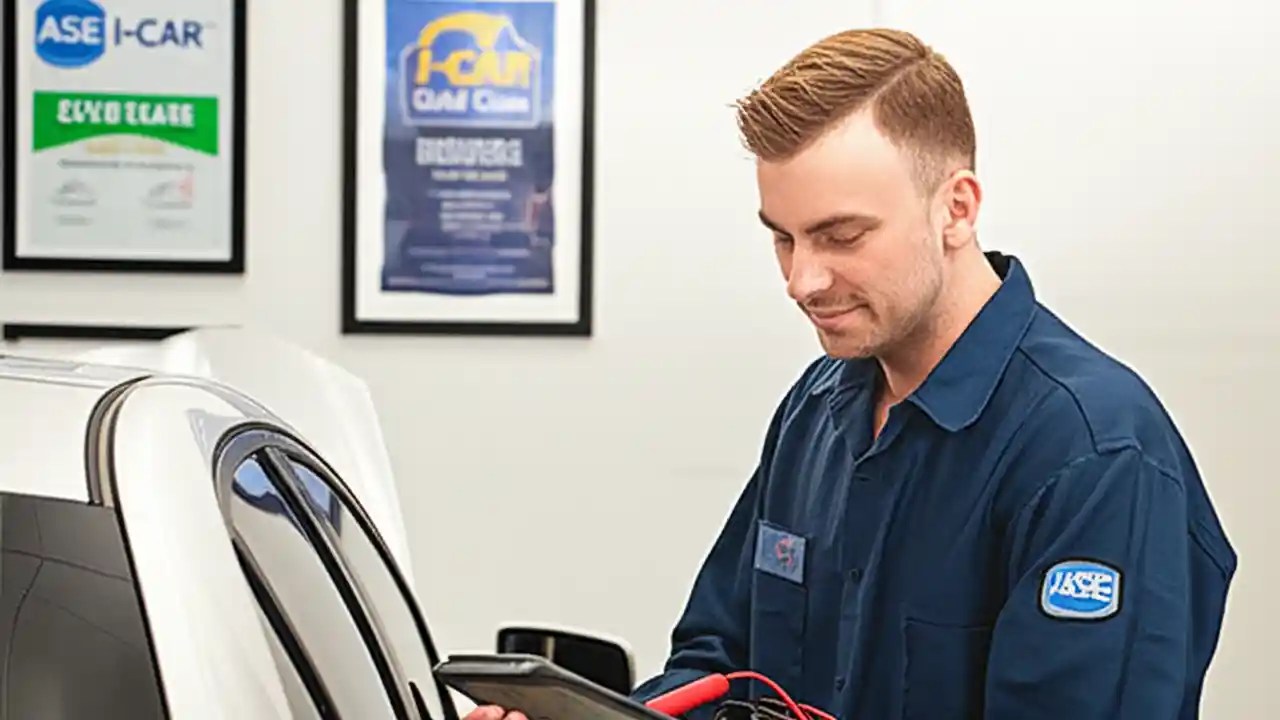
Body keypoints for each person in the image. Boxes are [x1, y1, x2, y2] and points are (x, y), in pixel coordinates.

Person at [463, 27, 1237, 720]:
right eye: (784, 240)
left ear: (956, 209)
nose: (803, 281)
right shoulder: (818, 408)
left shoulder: (1093, 455)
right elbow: (720, 668)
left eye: (841, 236)